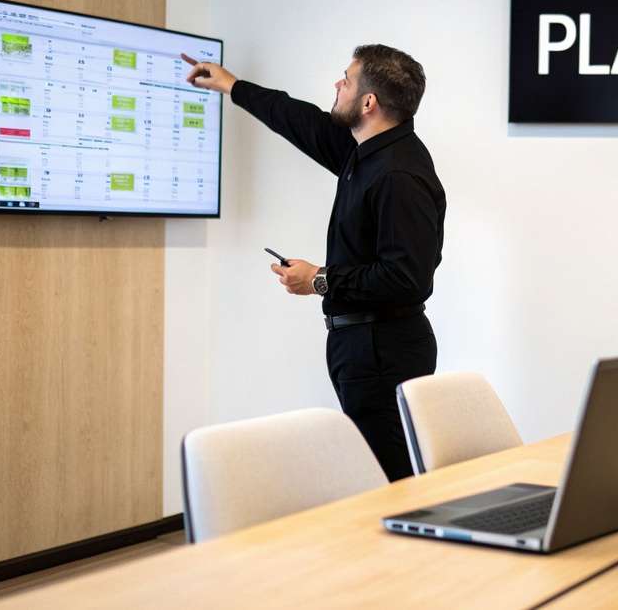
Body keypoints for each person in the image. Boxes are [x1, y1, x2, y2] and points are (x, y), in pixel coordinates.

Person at [182, 45, 445, 482]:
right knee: (381, 478)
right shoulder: (367, 150)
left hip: (382, 350)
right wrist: (232, 85)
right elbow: (299, 121)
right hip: (364, 347)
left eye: (346, 78)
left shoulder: (398, 174)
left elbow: (406, 278)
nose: (337, 85)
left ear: (369, 102)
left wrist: (320, 280)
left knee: (389, 483)